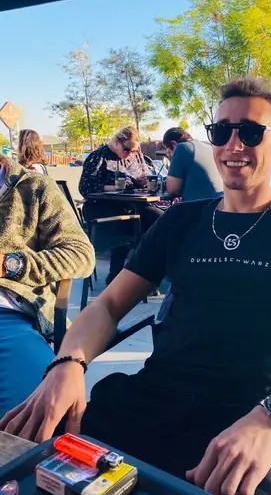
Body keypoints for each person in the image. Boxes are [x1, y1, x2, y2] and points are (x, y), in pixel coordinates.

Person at [1, 76, 271, 495]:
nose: (234, 144)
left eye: (251, 132)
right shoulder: (180, 222)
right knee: (30, 488)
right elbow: (109, 304)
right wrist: (69, 362)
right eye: (222, 131)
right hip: (147, 405)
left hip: (245, 421)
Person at [0, 154, 95, 418]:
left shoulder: (33, 188)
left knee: (35, 419)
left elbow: (80, 255)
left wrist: (10, 264)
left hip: (9, 317)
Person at [79, 126, 164, 283]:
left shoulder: (136, 156)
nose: (130, 154)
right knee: (132, 225)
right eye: (127, 150)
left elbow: (142, 178)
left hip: (133, 206)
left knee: (161, 219)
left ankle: (144, 275)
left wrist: (143, 181)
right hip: (103, 209)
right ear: (117, 142)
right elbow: (85, 188)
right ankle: (120, 275)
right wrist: (114, 187)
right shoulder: (99, 157)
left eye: (134, 151)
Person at [163, 127, 223, 201]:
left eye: (169, 152)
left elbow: (173, 189)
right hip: (219, 202)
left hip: (199, 205)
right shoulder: (209, 147)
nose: (171, 156)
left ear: (173, 144)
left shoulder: (181, 147)